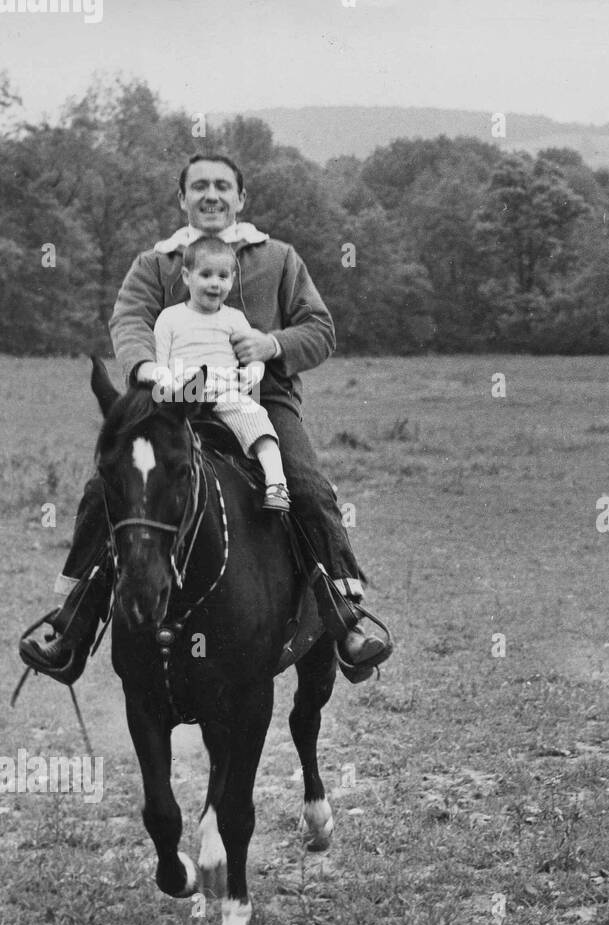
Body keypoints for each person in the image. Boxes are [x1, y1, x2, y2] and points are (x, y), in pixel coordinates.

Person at [20, 154, 392, 683]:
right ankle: (72, 624)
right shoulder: (156, 263)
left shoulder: (280, 259)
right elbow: (129, 321)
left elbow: (319, 328)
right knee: (104, 490)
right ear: (183, 199)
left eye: (223, 186)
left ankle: (344, 616)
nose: (211, 194)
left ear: (241, 199)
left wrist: (272, 342)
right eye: (200, 187)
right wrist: (146, 367)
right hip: (172, 400)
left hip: (259, 400)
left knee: (308, 486)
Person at [151, 235, 291, 511]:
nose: (215, 283)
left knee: (257, 421)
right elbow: (160, 362)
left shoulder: (234, 319)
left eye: (223, 276)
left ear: (232, 279)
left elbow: (252, 356)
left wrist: (254, 371)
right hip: (185, 393)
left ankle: (277, 482)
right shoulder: (170, 318)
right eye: (206, 275)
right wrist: (167, 385)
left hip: (226, 392)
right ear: (187, 276)